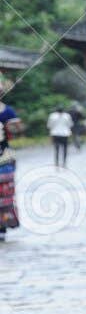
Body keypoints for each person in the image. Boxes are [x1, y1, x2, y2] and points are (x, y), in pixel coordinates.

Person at [0, 85, 21, 239]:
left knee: (4, 195)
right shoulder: (7, 110)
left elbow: (16, 130)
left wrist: (11, 127)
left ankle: (2, 227)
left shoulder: (7, 111)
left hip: (4, 158)